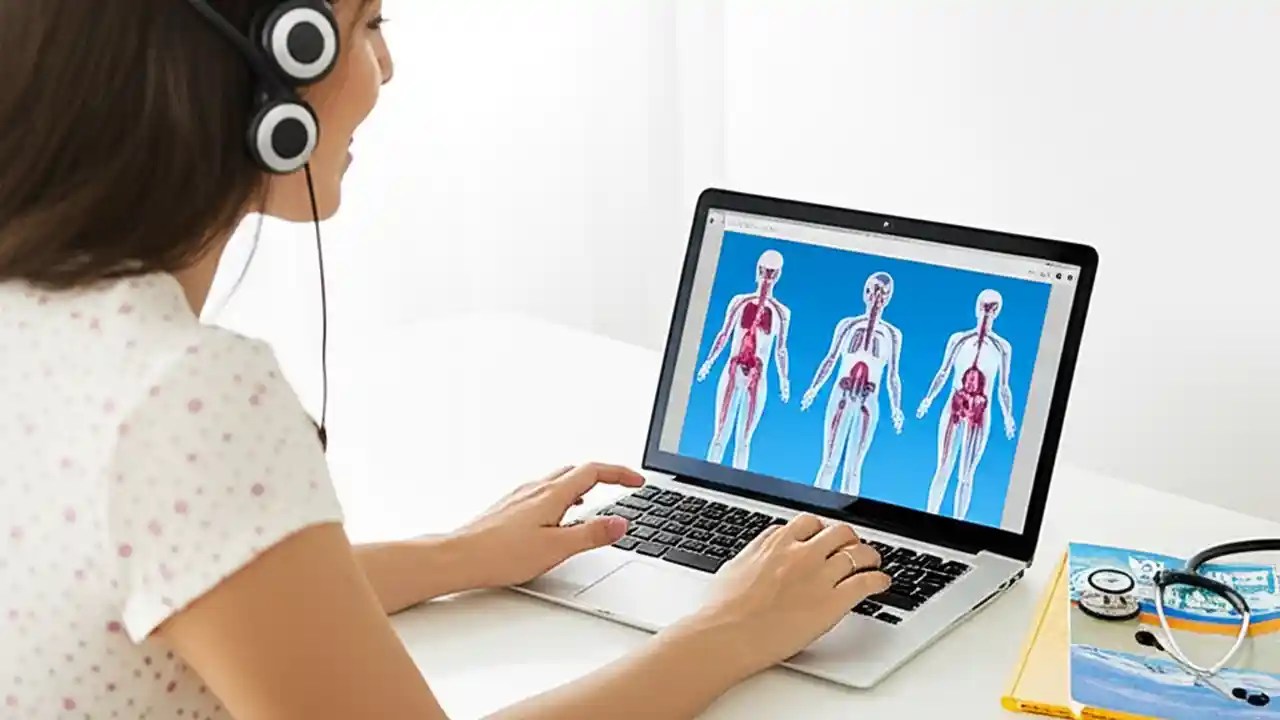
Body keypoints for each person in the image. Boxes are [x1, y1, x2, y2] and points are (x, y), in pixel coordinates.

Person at [0, 1, 891, 718]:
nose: (385, 70)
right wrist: (730, 629)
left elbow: (204, 586)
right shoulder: (184, 398)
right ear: (270, 73)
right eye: (370, 25)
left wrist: (456, 555)